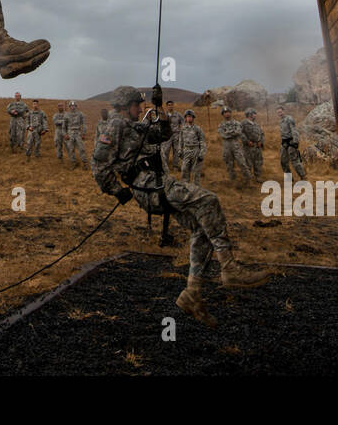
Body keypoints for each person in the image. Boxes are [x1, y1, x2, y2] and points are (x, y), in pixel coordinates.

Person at [91, 87, 269, 327]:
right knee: (209, 200)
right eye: (137, 105)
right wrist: (116, 190)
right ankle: (229, 268)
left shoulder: (134, 126)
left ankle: (192, 294)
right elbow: (99, 164)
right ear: (125, 105)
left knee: (200, 229)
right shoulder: (116, 125)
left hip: (157, 183)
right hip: (148, 186)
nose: (140, 109)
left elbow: (164, 133)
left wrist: (159, 107)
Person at [217, 107, 254, 184]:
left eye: (228, 112)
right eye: (225, 113)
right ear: (223, 114)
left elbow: (238, 132)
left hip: (236, 145)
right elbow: (223, 135)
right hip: (226, 146)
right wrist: (231, 133)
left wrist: (228, 132)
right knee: (229, 163)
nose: (227, 114)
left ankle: (248, 178)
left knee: (241, 162)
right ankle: (232, 180)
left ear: (230, 113)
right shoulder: (221, 125)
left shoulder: (237, 123)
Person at [277, 106, 307, 181]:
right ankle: (289, 178)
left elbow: (294, 130)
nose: (279, 114)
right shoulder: (280, 121)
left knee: (295, 162)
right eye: (278, 112)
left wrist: (296, 142)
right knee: (283, 161)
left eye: (280, 112)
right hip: (284, 143)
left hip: (291, 142)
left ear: (284, 111)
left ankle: (303, 176)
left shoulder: (289, 119)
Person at [178, 110, 206, 184]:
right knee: (184, 169)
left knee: (196, 172)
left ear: (193, 118)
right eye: (187, 117)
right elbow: (180, 141)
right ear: (185, 118)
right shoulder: (183, 129)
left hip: (195, 151)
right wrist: (179, 151)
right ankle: (185, 187)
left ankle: (195, 189)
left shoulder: (198, 129)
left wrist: (202, 153)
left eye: (190, 117)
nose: (189, 118)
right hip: (186, 151)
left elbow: (202, 141)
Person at [240, 108, 265, 178]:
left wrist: (261, 142)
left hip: (257, 147)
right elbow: (240, 133)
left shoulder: (256, 124)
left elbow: (262, 134)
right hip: (248, 147)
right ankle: (248, 178)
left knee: (258, 162)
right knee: (248, 163)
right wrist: (247, 141)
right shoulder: (243, 123)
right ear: (250, 114)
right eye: (254, 114)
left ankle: (258, 176)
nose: (255, 116)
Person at [65, 102, 88, 168]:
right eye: (71, 106)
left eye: (74, 106)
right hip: (70, 134)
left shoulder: (80, 114)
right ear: (69, 107)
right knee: (71, 149)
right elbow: (64, 126)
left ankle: (85, 163)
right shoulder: (66, 115)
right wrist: (65, 134)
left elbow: (83, 124)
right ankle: (73, 163)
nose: (73, 107)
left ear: (76, 106)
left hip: (78, 133)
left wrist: (83, 133)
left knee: (81, 148)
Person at [164, 100, 184, 170]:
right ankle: (165, 166)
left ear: (173, 105)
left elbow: (183, 122)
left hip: (176, 135)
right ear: (166, 106)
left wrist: (181, 130)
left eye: (171, 105)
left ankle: (175, 166)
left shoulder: (177, 114)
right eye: (169, 105)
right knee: (166, 150)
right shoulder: (164, 115)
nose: (170, 106)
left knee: (176, 151)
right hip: (167, 136)